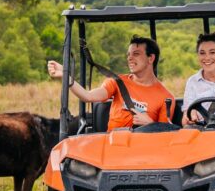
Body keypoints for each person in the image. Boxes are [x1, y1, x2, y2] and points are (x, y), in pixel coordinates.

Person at [47, 35, 175, 129]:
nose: (129, 58)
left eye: (136, 54)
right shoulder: (117, 82)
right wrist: (66, 77)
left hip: (145, 153)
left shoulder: (166, 98)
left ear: (151, 58)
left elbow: (165, 137)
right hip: (112, 150)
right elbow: (88, 96)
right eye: (128, 54)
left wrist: (150, 124)